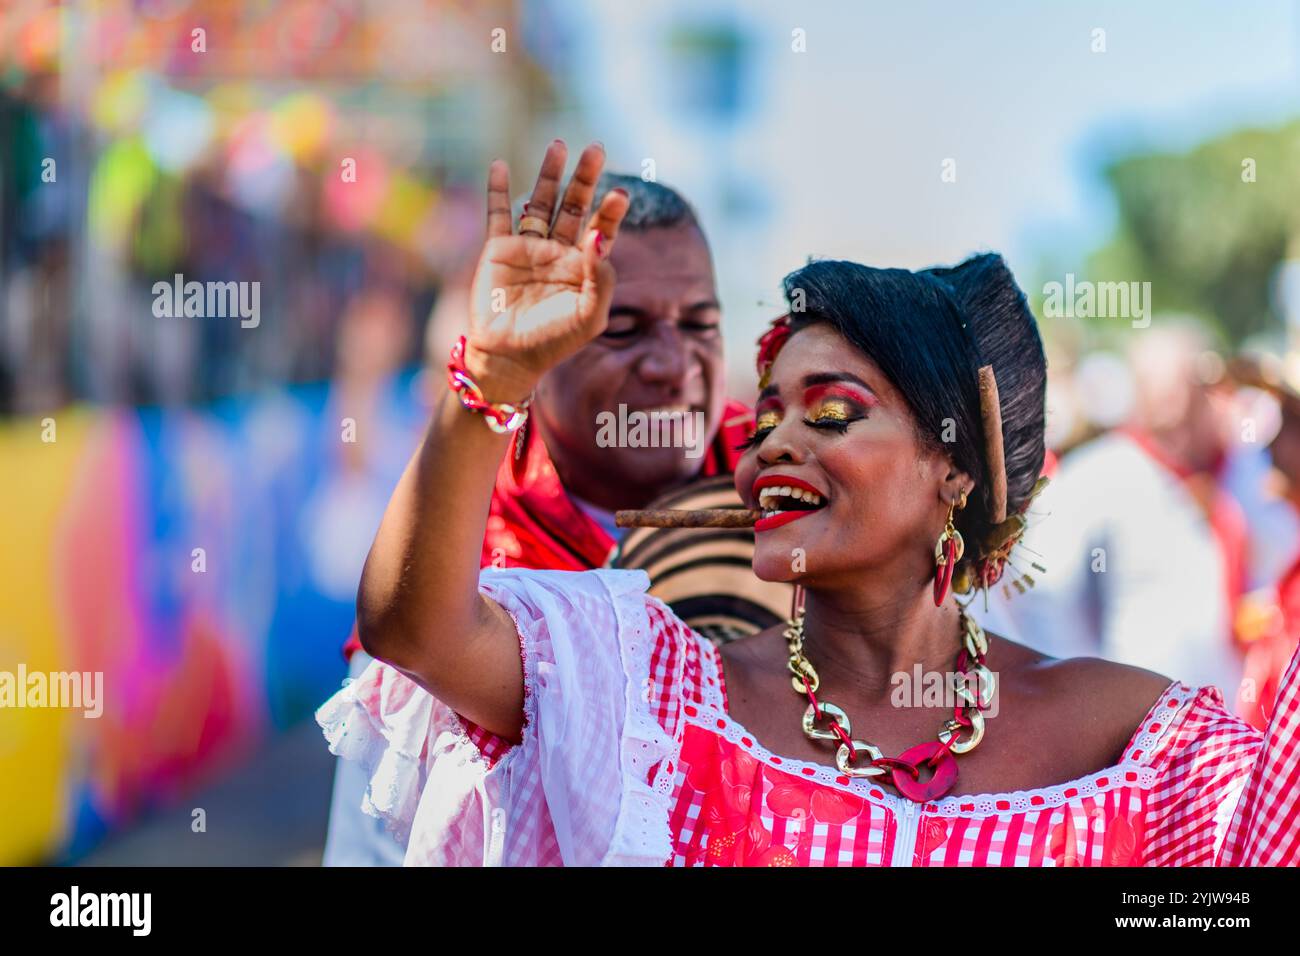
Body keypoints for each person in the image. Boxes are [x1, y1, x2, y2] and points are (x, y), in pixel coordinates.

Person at [318, 143, 1299, 866]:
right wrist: (486, 379)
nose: (776, 441)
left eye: (832, 412)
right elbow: (418, 626)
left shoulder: (1135, 737)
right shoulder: (656, 690)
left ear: (953, 467)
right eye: (771, 414)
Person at [320, 142, 752, 865]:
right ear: (538, 347)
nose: (673, 363)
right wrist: (492, 376)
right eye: (622, 326)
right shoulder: (445, 579)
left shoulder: (797, 540)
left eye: (701, 324)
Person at [982, 325, 1249, 692]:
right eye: (1165, 399)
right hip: (1146, 721)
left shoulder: (1245, 470)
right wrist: (1090, 697)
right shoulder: (1101, 475)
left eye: (1189, 395)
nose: (1176, 414)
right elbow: (1043, 596)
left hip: (1237, 716)